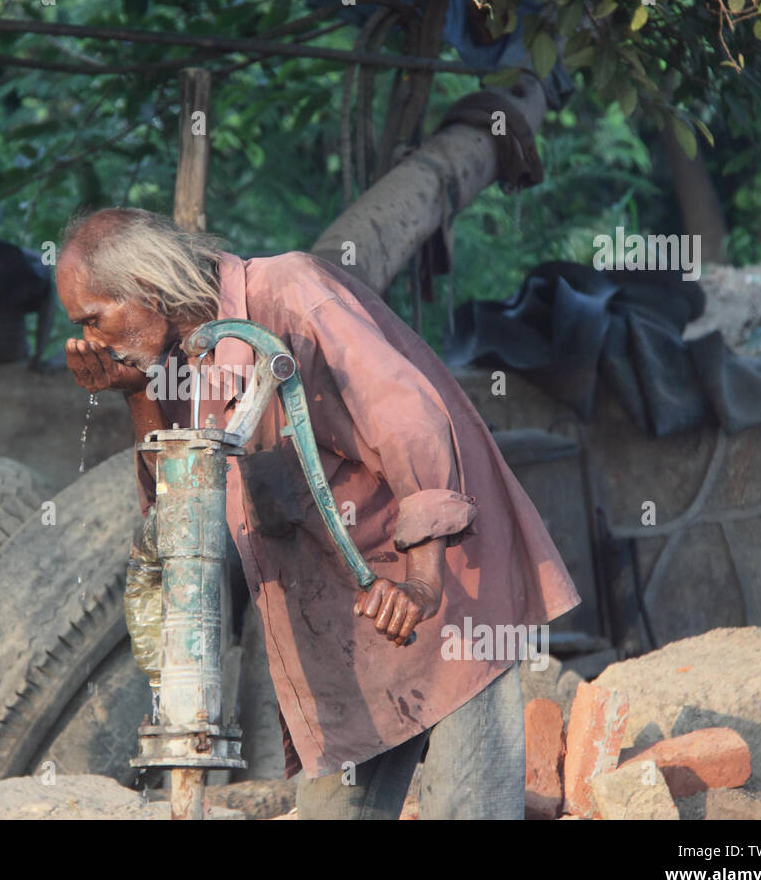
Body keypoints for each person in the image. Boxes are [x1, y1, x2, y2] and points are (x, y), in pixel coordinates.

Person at [57, 207, 579, 819]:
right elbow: (173, 518)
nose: (89, 342)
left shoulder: (289, 292)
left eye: (94, 319)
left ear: (146, 288)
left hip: (443, 581)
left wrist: (423, 579)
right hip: (343, 622)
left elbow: (411, 422)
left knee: (469, 807)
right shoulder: (175, 362)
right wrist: (135, 393)